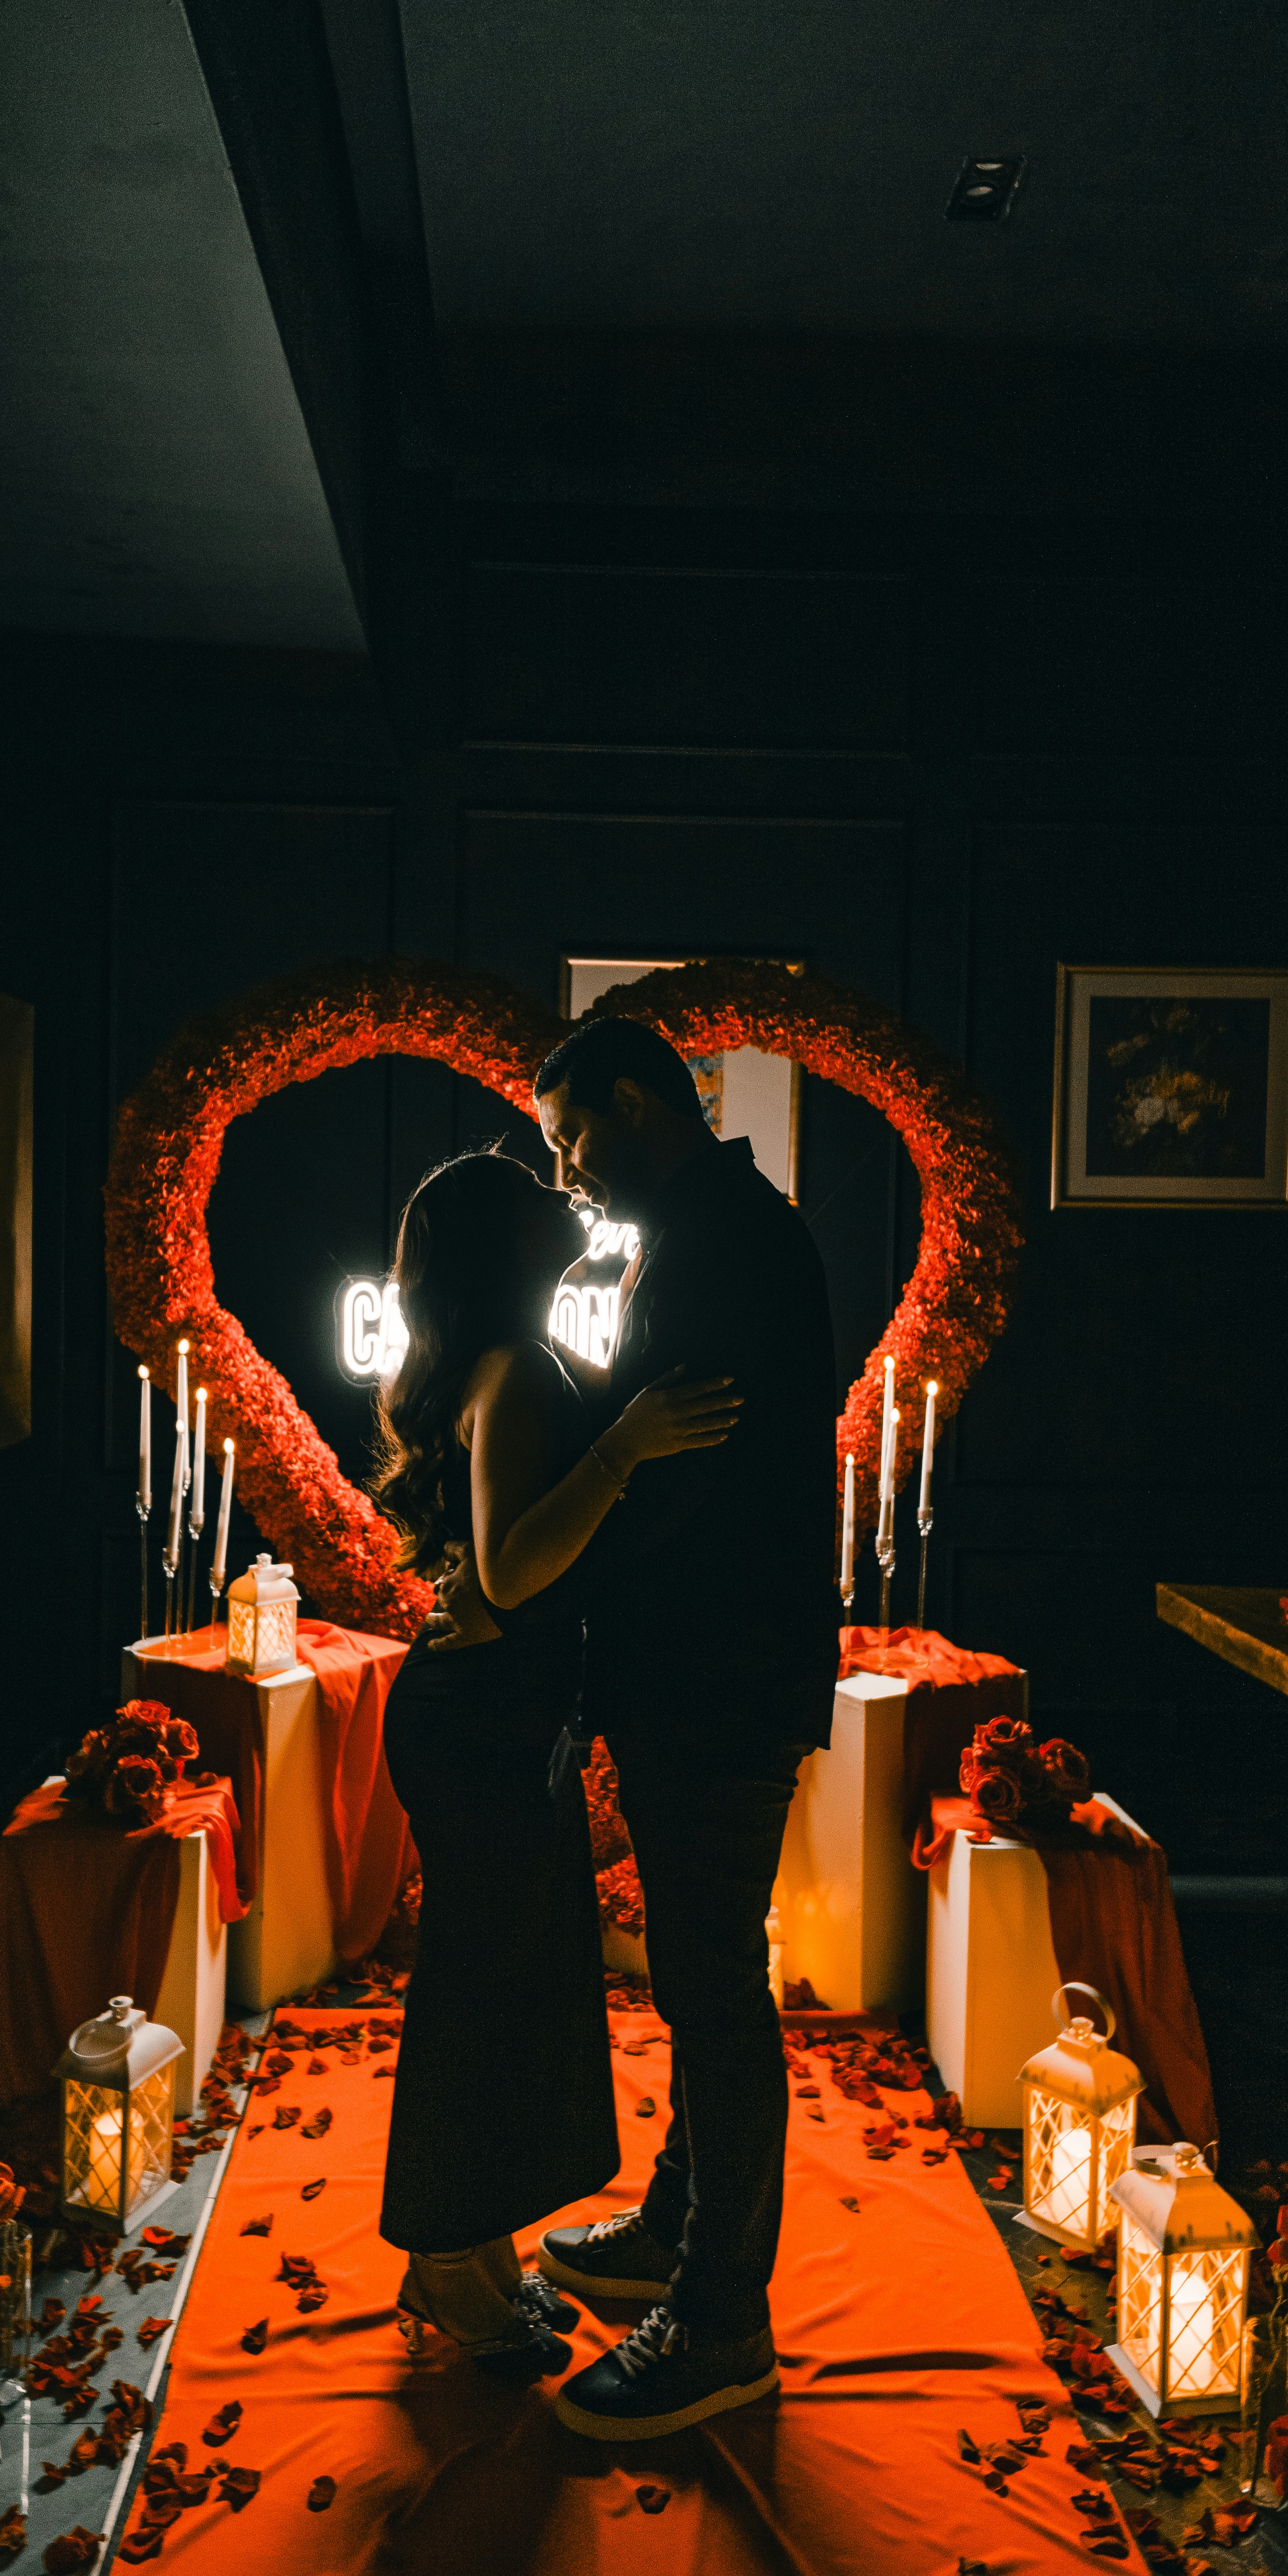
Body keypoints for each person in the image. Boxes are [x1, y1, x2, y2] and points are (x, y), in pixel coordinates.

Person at [372, 1145, 743, 2382]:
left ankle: (463, 2261)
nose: (562, 1194)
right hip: (478, 1727)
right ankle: (451, 2275)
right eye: (536, 1193)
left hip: (474, 1715)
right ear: (500, 1242)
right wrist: (625, 1447)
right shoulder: (518, 1370)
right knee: (488, 1997)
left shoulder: (501, 1362)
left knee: (496, 1988)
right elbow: (513, 1572)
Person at [528, 1013, 841, 2438]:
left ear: (642, 1104)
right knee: (699, 1981)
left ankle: (723, 2320)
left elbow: (693, 1485)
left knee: (715, 1992)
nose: (570, 1171)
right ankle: (675, 2223)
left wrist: (578, 1467)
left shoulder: (731, 1247)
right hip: (711, 1670)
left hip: (717, 1675)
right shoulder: (723, 1231)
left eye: (573, 1137)